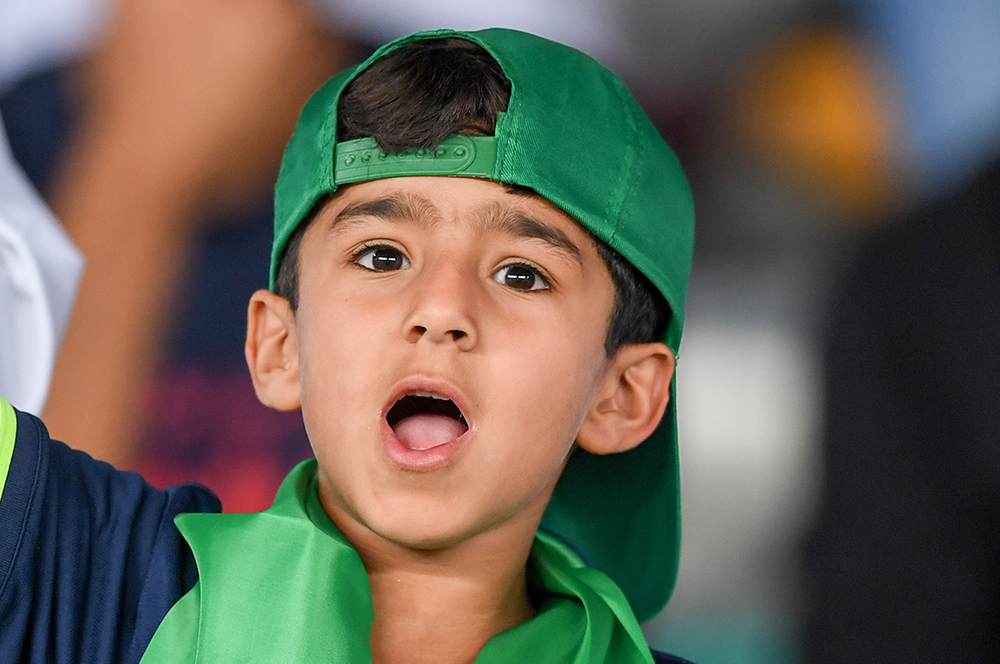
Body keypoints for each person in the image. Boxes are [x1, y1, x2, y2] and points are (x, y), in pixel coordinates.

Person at [0, 29, 695, 663]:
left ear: (623, 395)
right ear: (279, 346)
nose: (442, 309)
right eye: (382, 257)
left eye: (522, 274)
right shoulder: (75, 571)